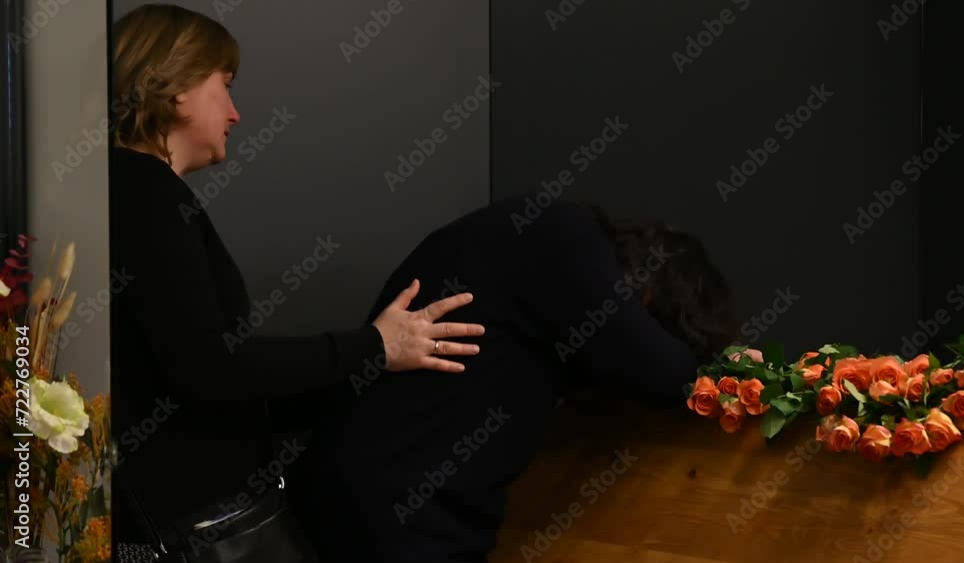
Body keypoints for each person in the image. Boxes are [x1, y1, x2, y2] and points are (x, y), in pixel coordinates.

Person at [108, 4, 485, 561]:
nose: (235, 113)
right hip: (205, 527)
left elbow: (197, 377)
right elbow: (209, 367)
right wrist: (375, 347)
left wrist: (368, 372)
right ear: (177, 86)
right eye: (224, 85)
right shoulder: (144, 190)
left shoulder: (132, 190)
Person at [288, 196, 736, 562]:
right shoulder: (563, 235)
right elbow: (660, 371)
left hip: (381, 510)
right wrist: (725, 370)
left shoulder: (536, 256)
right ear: (651, 295)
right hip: (394, 517)